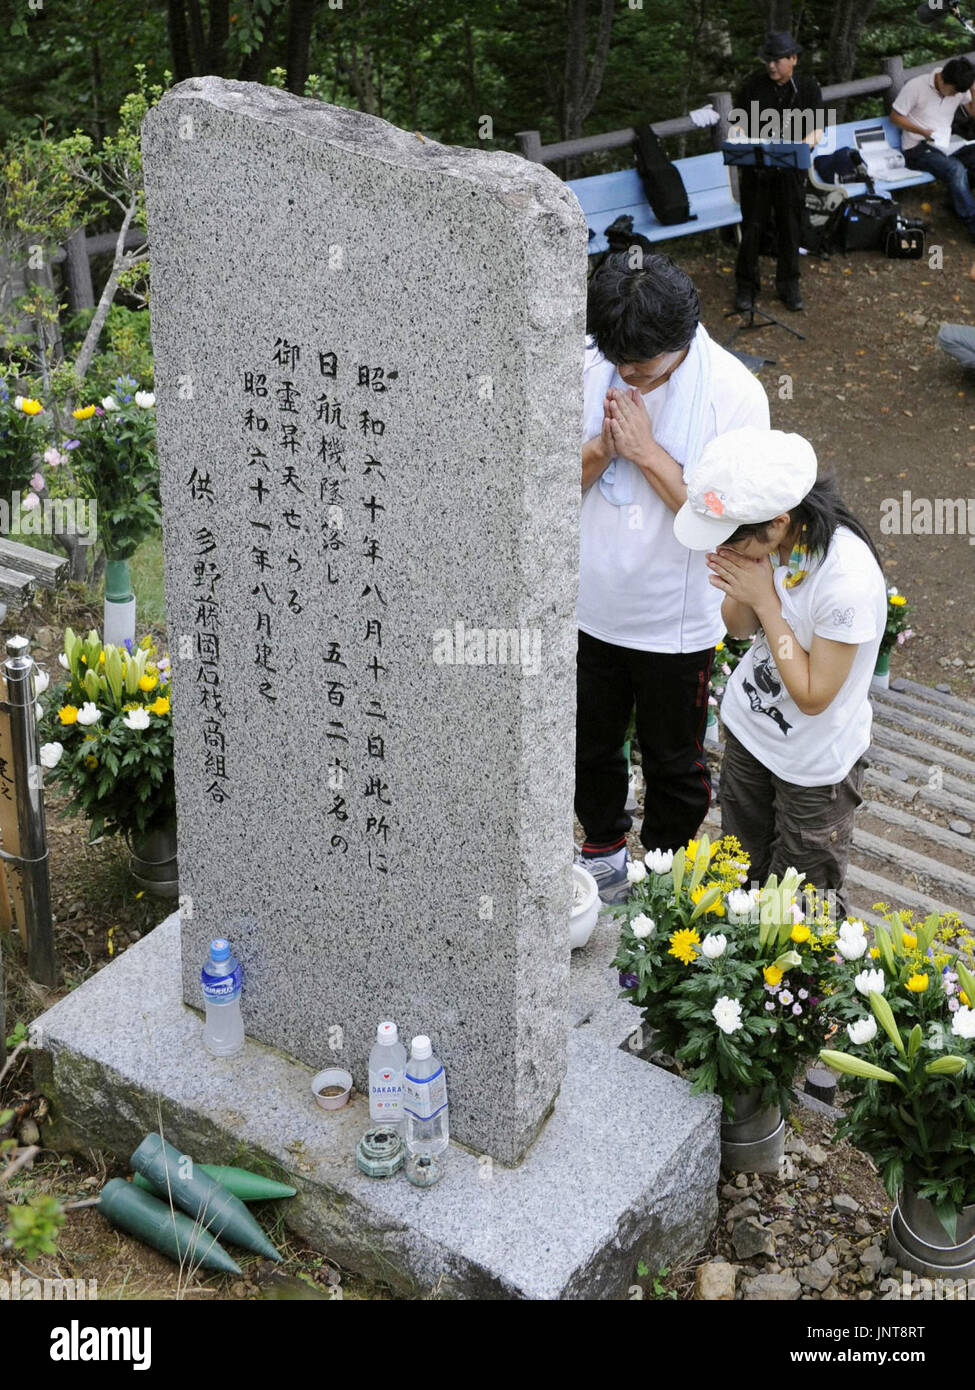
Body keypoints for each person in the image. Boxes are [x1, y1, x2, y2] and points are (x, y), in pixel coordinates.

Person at [576, 253, 770, 902]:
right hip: (587, 603)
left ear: (683, 343)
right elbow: (540, 491)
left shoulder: (735, 394)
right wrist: (602, 449)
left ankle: (665, 873)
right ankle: (601, 845)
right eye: (617, 364)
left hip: (676, 620)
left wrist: (647, 455)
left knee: (673, 760)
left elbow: (733, 529)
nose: (626, 377)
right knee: (589, 742)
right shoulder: (582, 365)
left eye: (643, 370)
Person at [673, 427, 887, 919]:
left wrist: (767, 599)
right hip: (752, 732)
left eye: (733, 540)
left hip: (813, 766)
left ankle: (790, 994)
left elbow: (814, 694)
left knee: (801, 906)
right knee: (740, 873)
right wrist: (747, 589)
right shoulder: (772, 543)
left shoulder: (846, 582)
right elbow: (739, 627)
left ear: (778, 523)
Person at [733, 31, 824, 314]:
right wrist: (739, 138)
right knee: (752, 229)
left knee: (790, 227)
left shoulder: (808, 87)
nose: (771, 66)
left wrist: (802, 146)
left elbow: (818, 128)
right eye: (767, 60)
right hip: (757, 171)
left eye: (777, 60)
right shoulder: (752, 87)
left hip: (790, 172)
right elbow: (739, 125)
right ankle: (746, 288)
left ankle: (789, 286)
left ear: (793, 59)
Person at [891, 56, 975, 239]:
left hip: (945, 144)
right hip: (916, 147)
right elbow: (895, 117)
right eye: (953, 92)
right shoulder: (916, 87)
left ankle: (956, 202)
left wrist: (973, 89)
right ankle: (972, 223)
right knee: (956, 169)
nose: (955, 96)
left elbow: (972, 112)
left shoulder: (958, 87)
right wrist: (922, 131)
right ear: (943, 79)